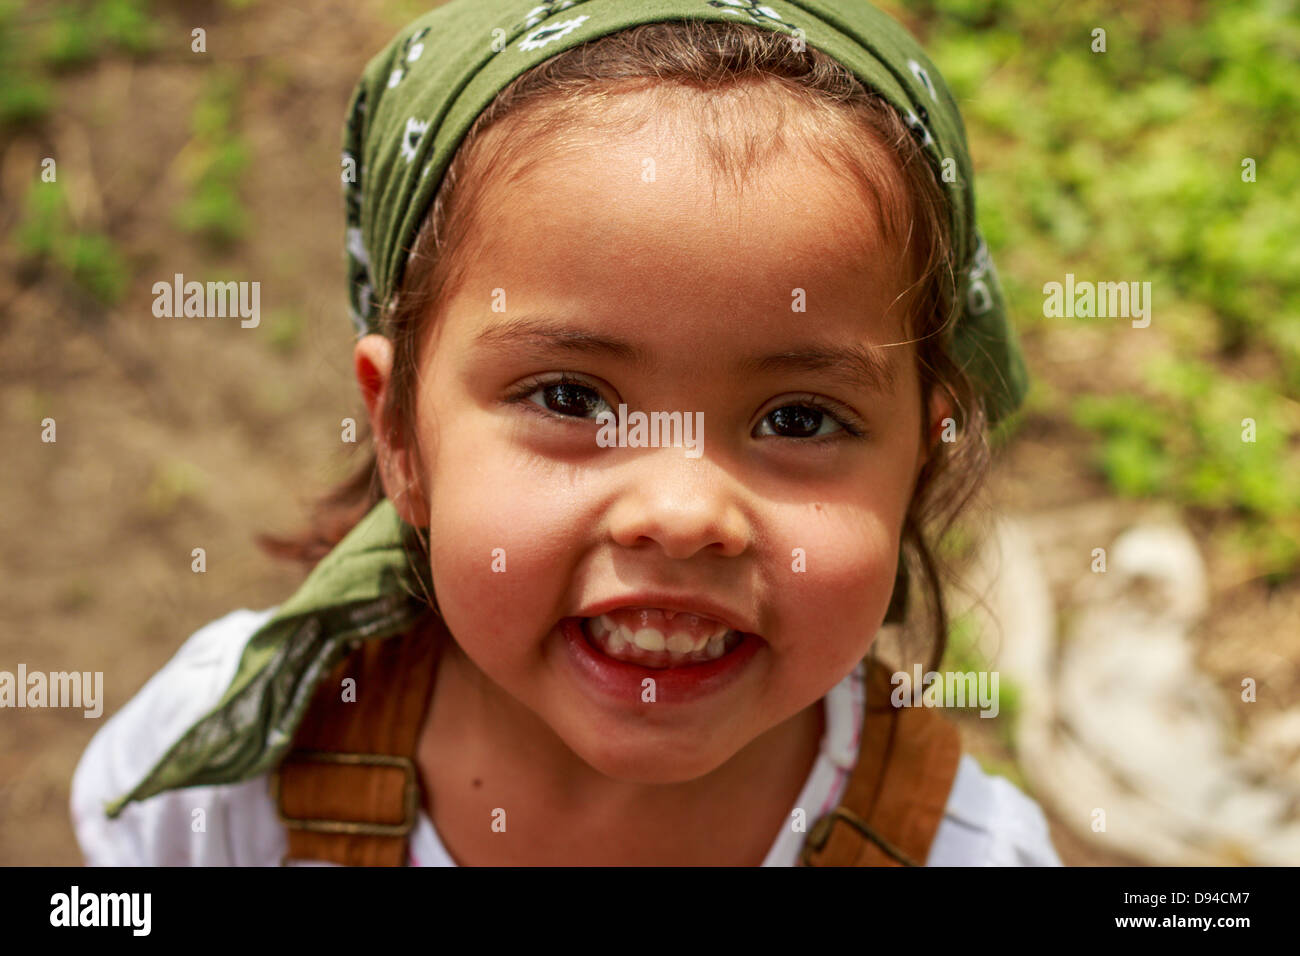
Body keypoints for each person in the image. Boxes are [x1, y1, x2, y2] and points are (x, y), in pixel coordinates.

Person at [72, 0, 1059, 866]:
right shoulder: (230, 764)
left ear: (919, 458)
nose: (681, 514)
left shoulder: (972, 852)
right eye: (571, 399)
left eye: (797, 417)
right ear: (401, 435)